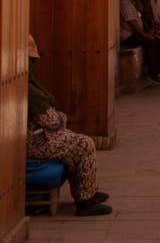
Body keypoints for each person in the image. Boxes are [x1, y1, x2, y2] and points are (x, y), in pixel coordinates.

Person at [27, 35, 112, 217]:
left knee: (74, 141)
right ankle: (85, 201)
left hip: (37, 138)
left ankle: (87, 191)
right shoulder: (29, 91)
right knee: (83, 144)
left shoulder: (28, 86)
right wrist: (61, 118)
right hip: (35, 142)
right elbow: (50, 120)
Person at [119, 0, 160, 82]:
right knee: (151, 41)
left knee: (157, 39)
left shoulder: (130, 0)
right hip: (129, 35)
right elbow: (133, 22)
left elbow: (140, 10)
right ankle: (153, 73)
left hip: (136, 32)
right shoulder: (124, 2)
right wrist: (145, 35)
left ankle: (159, 70)